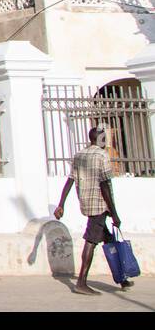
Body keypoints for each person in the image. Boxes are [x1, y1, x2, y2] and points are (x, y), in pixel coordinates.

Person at [53, 126, 133, 295]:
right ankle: (81, 282)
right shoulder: (102, 155)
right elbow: (104, 184)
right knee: (91, 240)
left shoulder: (79, 155)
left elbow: (70, 181)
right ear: (101, 139)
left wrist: (61, 204)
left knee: (109, 239)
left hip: (87, 204)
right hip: (99, 205)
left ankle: (122, 279)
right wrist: (114, 212)